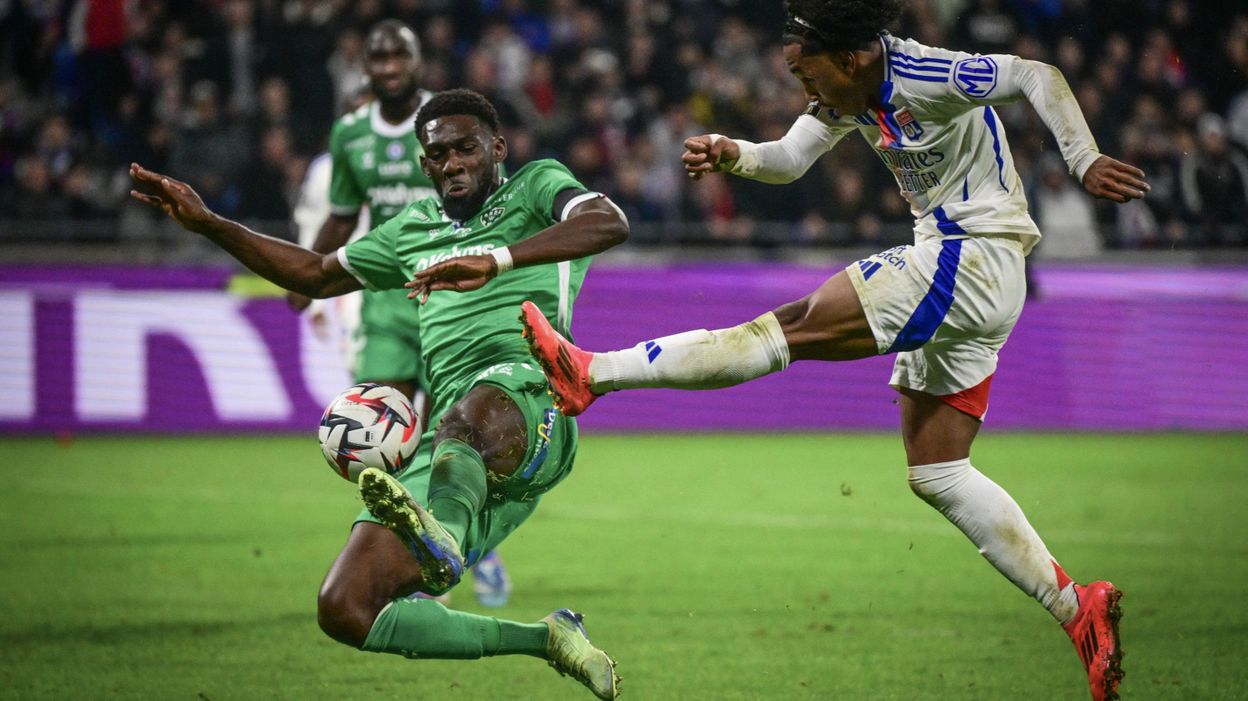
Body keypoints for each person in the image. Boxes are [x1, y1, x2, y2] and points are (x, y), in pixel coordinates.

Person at [519, 2, 1149, 700]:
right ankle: (1077, 609)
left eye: (803, 71)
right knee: (938, 471)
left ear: (849, 56)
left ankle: (594, 372)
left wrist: (1083, 158)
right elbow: (788, 159)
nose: (801, 88)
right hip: (972, 273)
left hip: (969, 257)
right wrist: (736, 154)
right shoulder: (848, 92)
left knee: (786, 328)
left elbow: (1034, 73)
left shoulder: (919, 70)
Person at [130, 88, 627, 700]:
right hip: (455, 443)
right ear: (424, 165)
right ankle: (547, 638)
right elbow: (314, 274)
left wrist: (497, 260)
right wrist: (209, 223)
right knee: (345, 607)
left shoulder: (536, 186)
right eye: (438, 154)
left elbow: (608, 222)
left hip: (534, 397)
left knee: (471, 412)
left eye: (466, 148)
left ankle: (442, 533)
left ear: (497, 147)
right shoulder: (411, 229)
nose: (452, 163)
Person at [288, 20, 512, 607]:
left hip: (455, 298)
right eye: (378, 58)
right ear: (365, 67)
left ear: (417, 64)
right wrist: (310, 274)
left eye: (399, 58)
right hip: (387, 300)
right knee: (379, 433)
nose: (388, 68)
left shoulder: (444, 127)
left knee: (452, 438)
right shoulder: (349, 136)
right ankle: (406, 561)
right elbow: (342, 214)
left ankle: (470, 546)